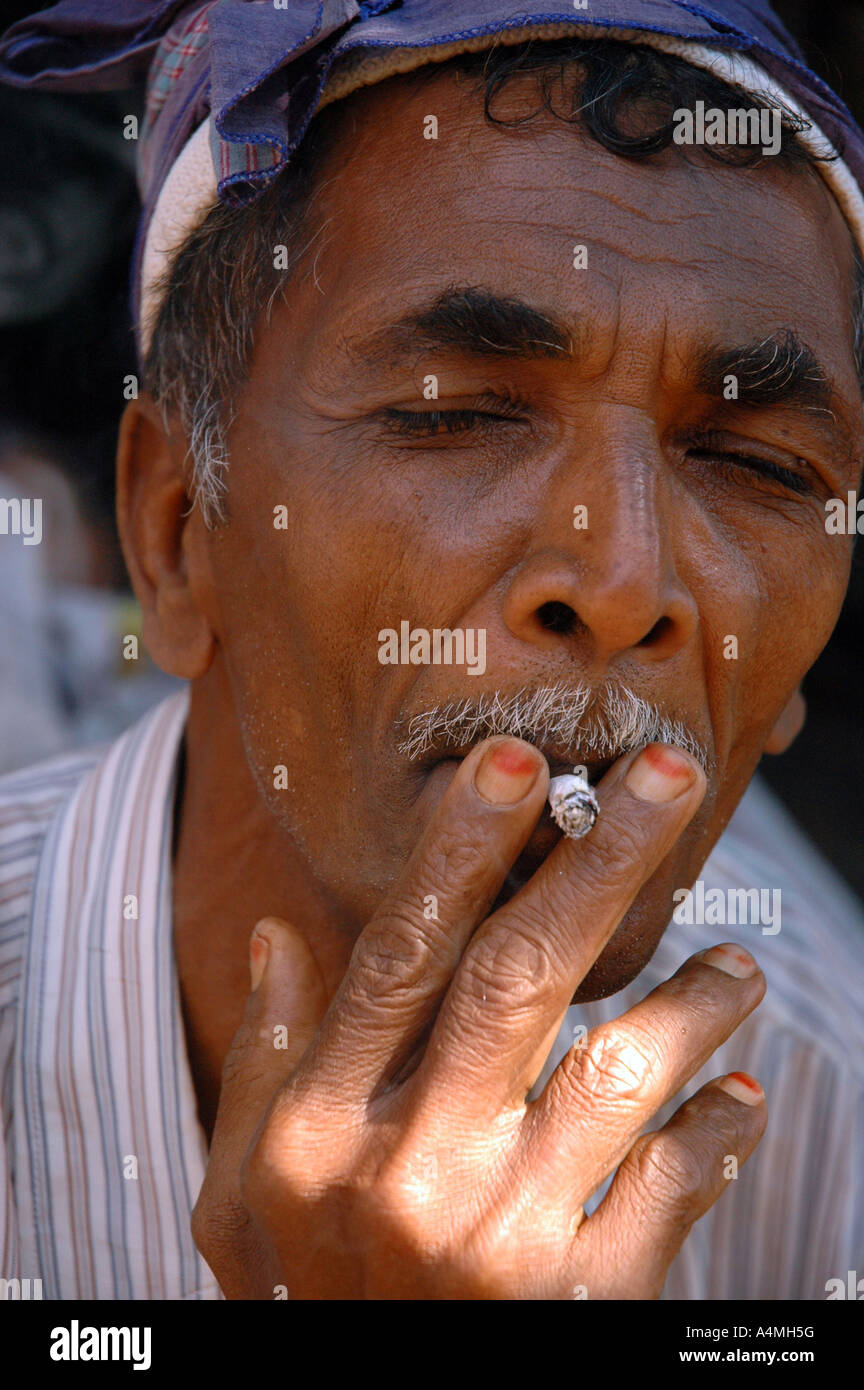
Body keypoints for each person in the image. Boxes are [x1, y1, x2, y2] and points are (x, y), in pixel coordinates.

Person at [1, 0, 862, 1301]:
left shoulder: (830, 1122)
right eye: (453, 417)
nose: (627, 582)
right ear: (177, 535)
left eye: (751, 462)